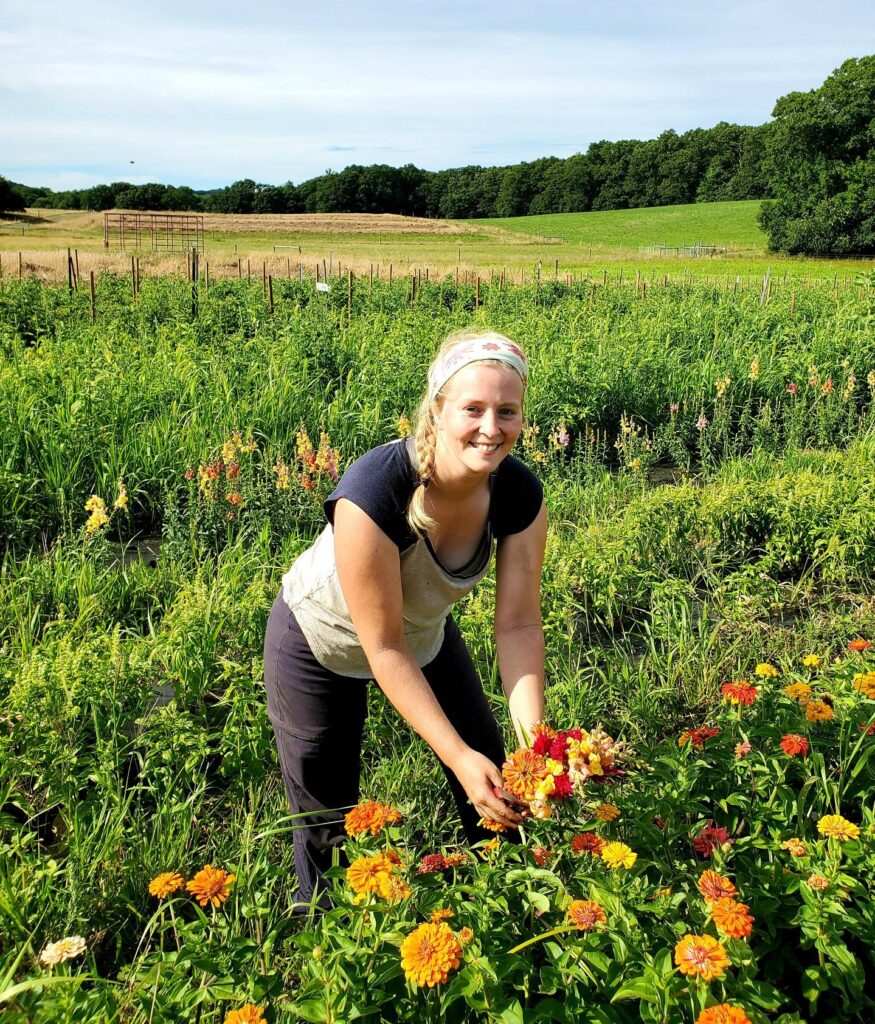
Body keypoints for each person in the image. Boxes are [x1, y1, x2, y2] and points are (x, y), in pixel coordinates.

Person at [263, 327, 547, 907]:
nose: (491, 428)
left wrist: (534, 743)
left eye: (507, 411)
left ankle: (506, 907)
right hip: (320, 640)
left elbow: (518, 624)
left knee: (496, 778)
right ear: (437, 410)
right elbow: (382, 646)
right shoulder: (375, 490)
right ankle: (326, 939)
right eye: (473, 408)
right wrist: (456, 756)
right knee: (329, 813)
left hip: (423, 635)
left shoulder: (519, 494)